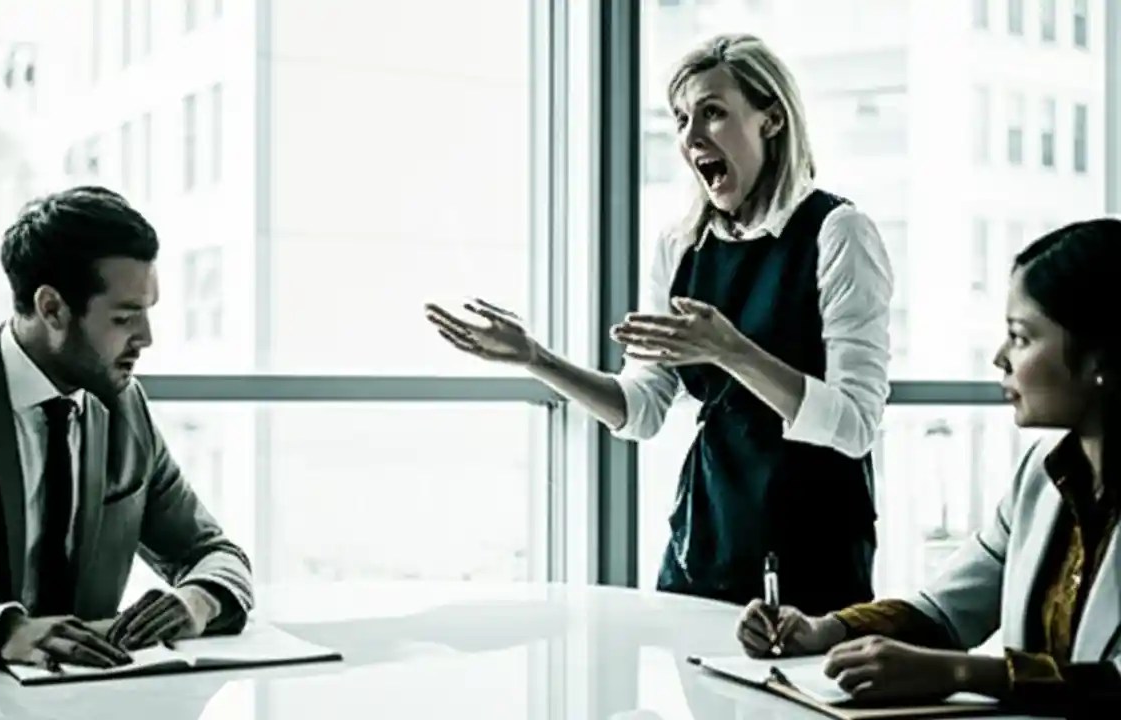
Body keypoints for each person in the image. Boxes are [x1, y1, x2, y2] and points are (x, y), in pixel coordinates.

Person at [426, 33, 892, 614]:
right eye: (680, 119)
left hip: (813, 556)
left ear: (771, 120)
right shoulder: (680, 248)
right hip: (704, 545)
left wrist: (733, 352)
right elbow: (642, 409)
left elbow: (854, 425)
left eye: (714, 113)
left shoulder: (838, 232)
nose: (691, 137)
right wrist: (535, 359)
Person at [0, 186, 253, 669]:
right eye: (124, 317)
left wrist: (196, 602)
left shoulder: (123, 407)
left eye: (147, 312)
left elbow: (214, 553)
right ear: (52, 308)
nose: (146, 337)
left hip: (89, 702)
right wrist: (2, 630)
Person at [736, 219, 1121, 713]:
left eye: (1020, 337)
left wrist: (959, 672)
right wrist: (822, 631)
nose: (1000, 359)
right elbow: (944, 610)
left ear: (1099, 358)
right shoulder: (1044, 477)